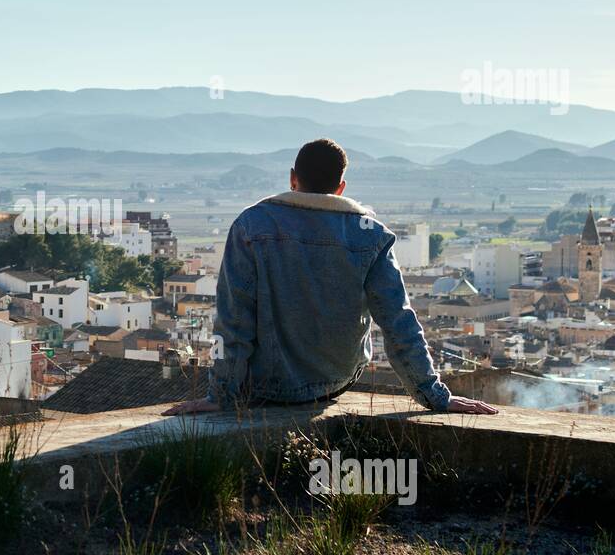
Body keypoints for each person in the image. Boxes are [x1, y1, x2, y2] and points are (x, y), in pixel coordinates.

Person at [164, 138, 496, 417]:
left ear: (292, 178)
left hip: (265, 386)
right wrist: (435, 396)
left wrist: (219, 396)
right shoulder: (371, 235)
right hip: (336, 381)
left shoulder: (251, 226)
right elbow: (399, 322)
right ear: (340, 187)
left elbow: (232, 320)